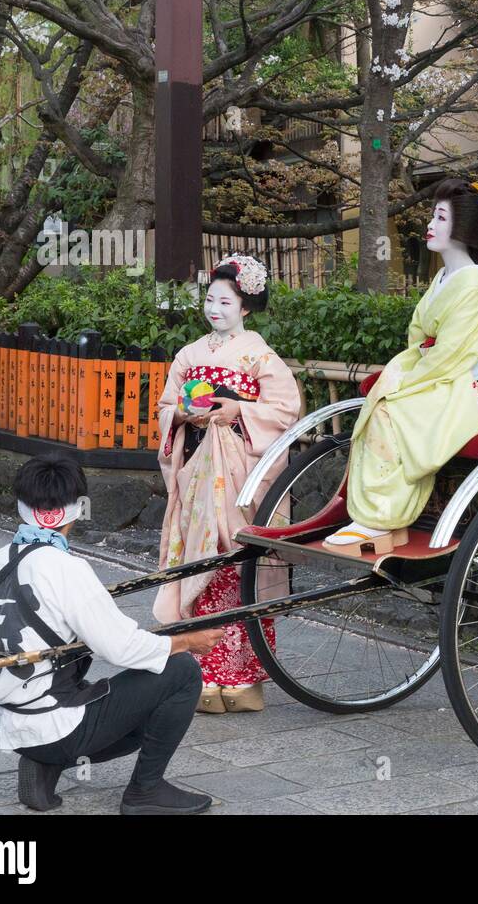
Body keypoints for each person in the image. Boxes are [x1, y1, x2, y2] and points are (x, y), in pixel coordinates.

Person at [0, 454, 225, 814]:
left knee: (127, 677)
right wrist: (188, 642)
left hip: (15, 724)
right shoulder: (69, 569)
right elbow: (123, 649)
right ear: (76, 510)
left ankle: (44, 762)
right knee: (180, 671)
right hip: (59, 726)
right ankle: (144, 792)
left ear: (21, 507)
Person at [324, 178, 478, 554]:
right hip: (438, 378)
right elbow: (417, 338)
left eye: (441, 217)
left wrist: (406, 382)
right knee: (379, 406)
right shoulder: (443, 280)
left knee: (391, 411)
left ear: (461, 227)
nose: (430, 224)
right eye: (433, 215)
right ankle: (376, 518)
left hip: (466, 386)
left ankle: (381, 519)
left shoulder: (475, 290)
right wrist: (405, 375)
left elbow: (450, 357)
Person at [154, 254, 302, 715]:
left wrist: (238, 410)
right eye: (210, 299)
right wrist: (180, 413)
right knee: (202, 559)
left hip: (239, 466)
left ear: (246, 308)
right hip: (198, 465)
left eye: (225, 301)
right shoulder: (189, 354)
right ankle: (202, 676)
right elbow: (164, 405)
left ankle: (243, 682)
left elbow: (285, 410)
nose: (214, 308)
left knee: (238, 564)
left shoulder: (259, 354)